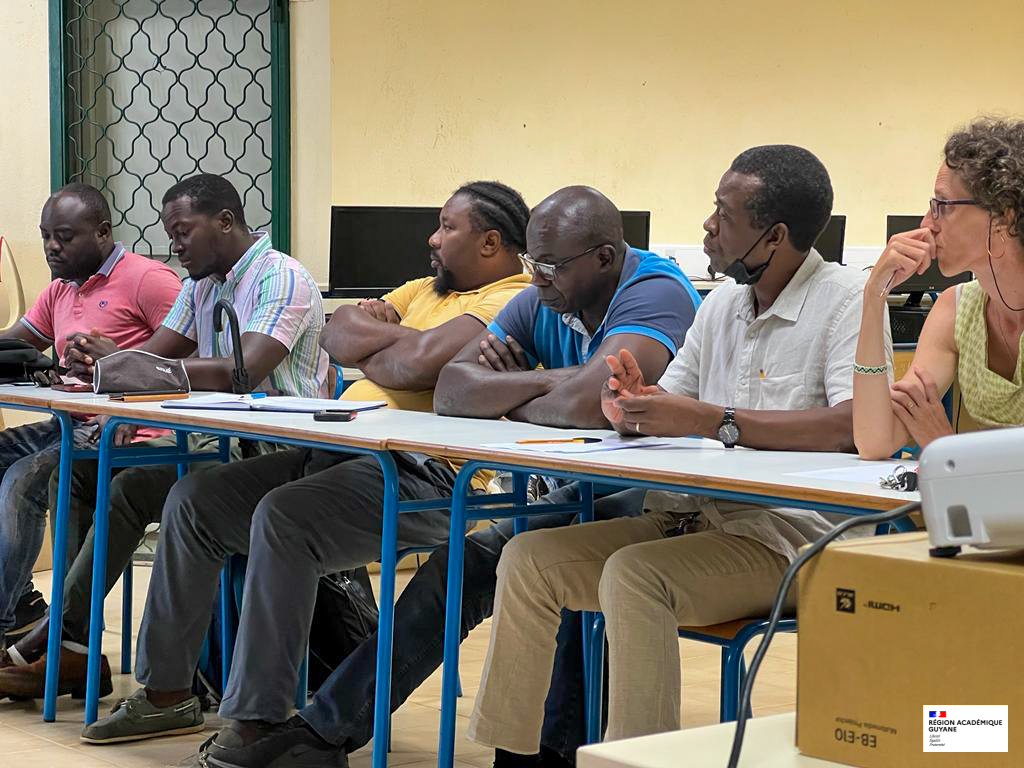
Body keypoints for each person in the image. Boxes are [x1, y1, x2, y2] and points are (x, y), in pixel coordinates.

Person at [209, 184, 700, 768]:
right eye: (532, 264)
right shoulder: (543, 296)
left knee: (558, 562)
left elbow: (596, 403)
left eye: (551, 267)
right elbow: (452, 390)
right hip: (581, 483)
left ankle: (547, 750)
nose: (536, 279)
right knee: (461, 566)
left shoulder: (656, 291)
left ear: (604, 257)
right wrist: (553, 381)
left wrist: (515, 393)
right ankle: (326, 732)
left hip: (660, 496)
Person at [467, 145, 894, 759]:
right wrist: (631, 407)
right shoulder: (719, 303)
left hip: (795, 540)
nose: (708, 225)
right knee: (528, 560)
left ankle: (642, 757)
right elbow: (670, 403)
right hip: (689, 518)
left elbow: (850, 426)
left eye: (724, 213)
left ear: (774, 236)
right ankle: (516, 755)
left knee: (636, 576)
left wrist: (711, 420)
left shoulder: (847, 300)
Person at [83, 181, 534, 756]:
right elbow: (339, 331)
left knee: (285, 517)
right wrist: (407, 347)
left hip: (427, 471)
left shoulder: (513, 298)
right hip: (340, 447)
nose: (432, 237)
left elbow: (419, 364)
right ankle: (168, 692)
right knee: (194, 501)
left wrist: (397, 348)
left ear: (491, 242)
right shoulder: (424, 288)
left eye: (447, 227)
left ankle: (257, 721)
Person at [0, 173, 328, 700]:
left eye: (182, 232)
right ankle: (72, 646)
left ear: (224, 222)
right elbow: (154, 355)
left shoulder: (279, 276)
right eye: (170, 234)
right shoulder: (202, 286)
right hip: (218, 444)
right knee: (80, 475)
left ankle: (57, 635)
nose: (174, 247)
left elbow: (242, 370)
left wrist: (134, 370)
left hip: (280, 451)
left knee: (123, 487)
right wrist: (107, 362)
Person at [0, 183, 181, 653]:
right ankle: (20, 611)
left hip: (130, 431)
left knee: (24, 479)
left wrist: (116, 359)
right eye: (45, 236)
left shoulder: (149, 280)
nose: (51, 248)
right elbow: (18, 343)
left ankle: (6, 626)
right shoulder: (61, 289)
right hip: (73, 419)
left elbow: (189, 362)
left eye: (64, 236)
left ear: (102, 232)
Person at [855, 118, 1024, 457]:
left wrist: (945, 448)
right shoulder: (956, 310)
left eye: (942, 206)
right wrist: (874, 297)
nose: (926, 224)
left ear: (1003, 218)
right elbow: (875, 441)